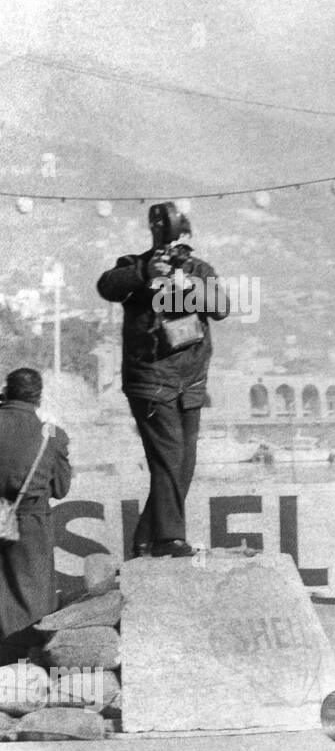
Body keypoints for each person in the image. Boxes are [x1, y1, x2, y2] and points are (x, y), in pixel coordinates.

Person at [97, 202, 229, 557]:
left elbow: (221, 308)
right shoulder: (134, 267)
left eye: (182, 246)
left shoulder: (200, 270)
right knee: (169, 457)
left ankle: (144, 539)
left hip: (191, 380)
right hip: (150, 378)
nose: (176, 252)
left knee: (183, 464)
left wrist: (189, 284)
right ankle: (168, 539)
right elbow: (107, 286)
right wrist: (145, 271)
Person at [0, 369, 71, 662]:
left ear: (7, 391)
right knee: (34, 594)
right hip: (31, 522)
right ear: (38, 396)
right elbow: (61, 488)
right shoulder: (51, 434)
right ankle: (29, 663)